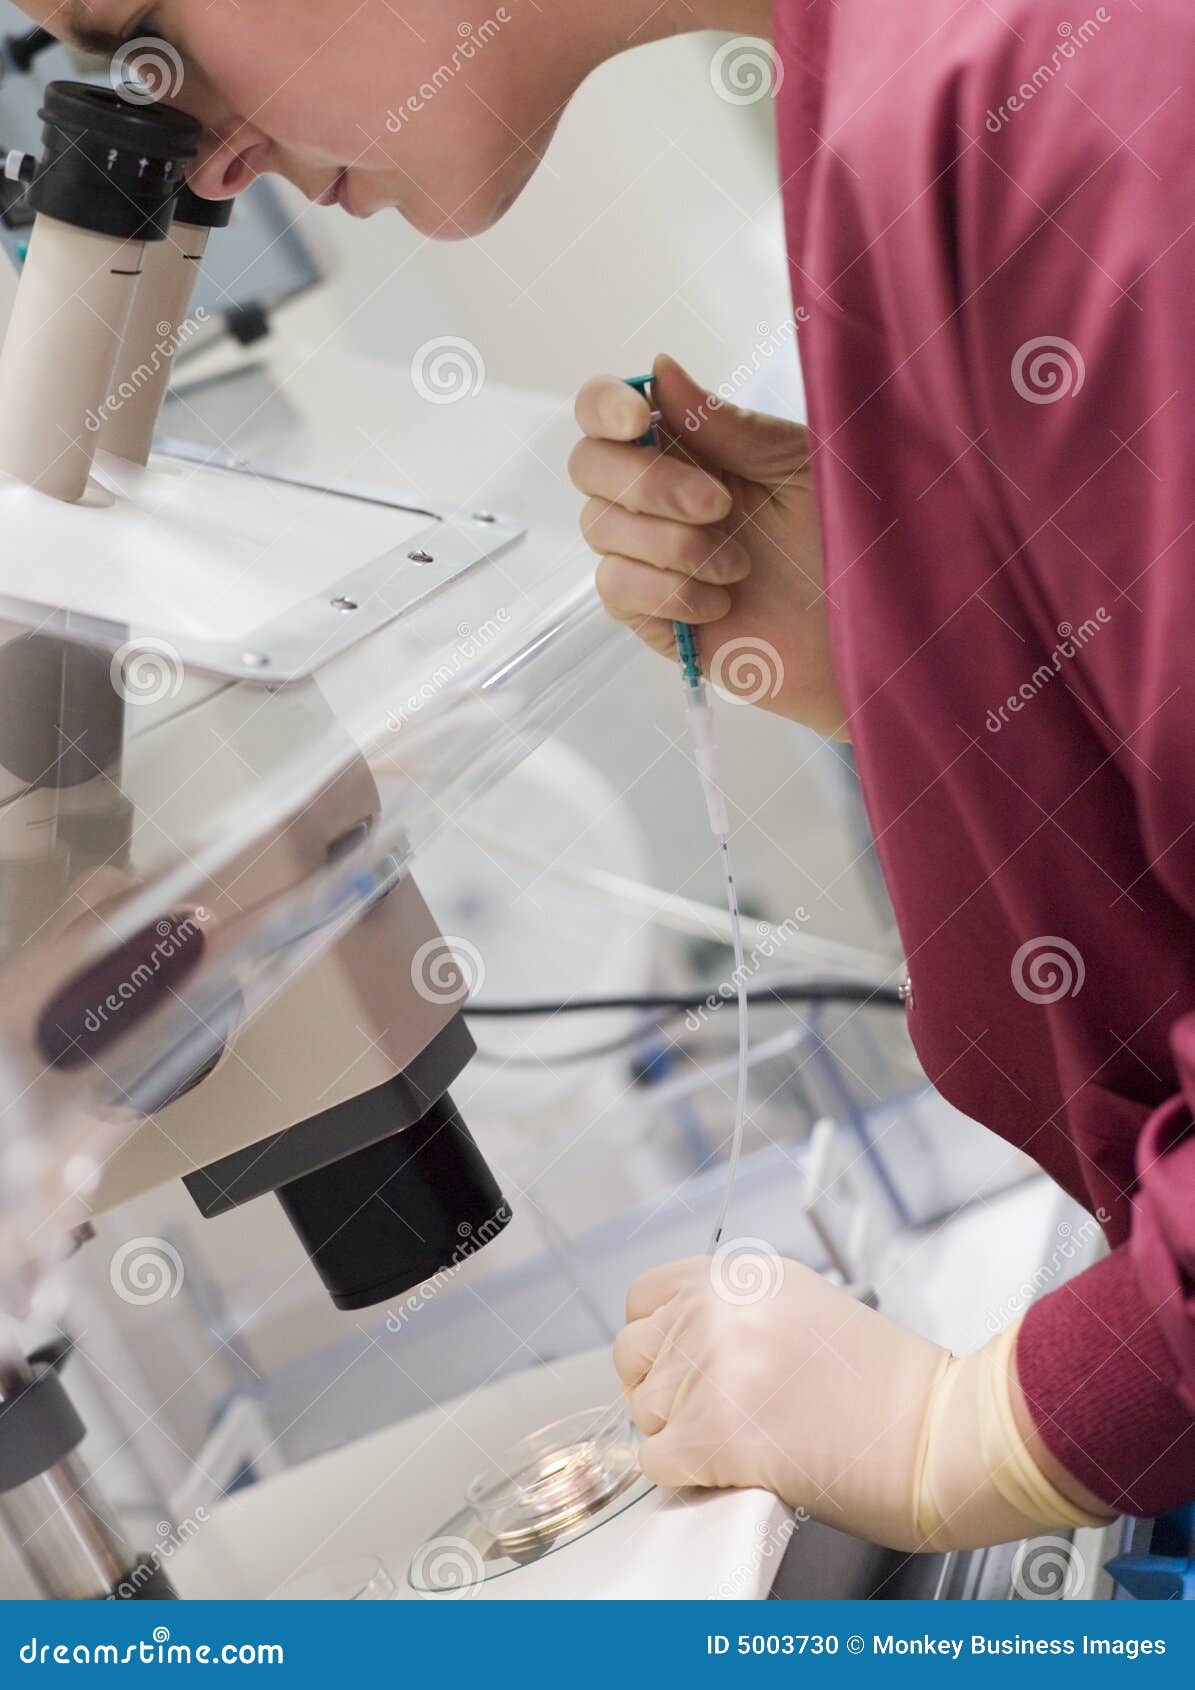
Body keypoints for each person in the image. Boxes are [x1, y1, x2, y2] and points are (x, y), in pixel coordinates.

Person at [22, 0, 1195, 1550]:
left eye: (138, 23)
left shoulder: (1044, 97)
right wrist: (940, 657)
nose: (197, 153)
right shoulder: (921, 91)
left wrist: (988, 1427)